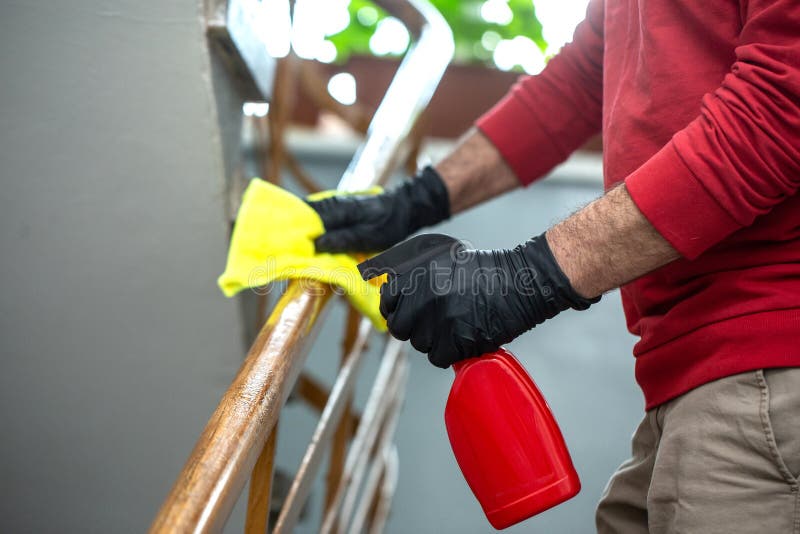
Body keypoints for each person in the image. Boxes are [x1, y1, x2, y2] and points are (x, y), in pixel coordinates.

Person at [307, 0, 800, 532]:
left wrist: (526, 276)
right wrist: (411, 202)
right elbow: (583, 77)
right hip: (696, 370)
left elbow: (780, 108)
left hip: (771, 354)